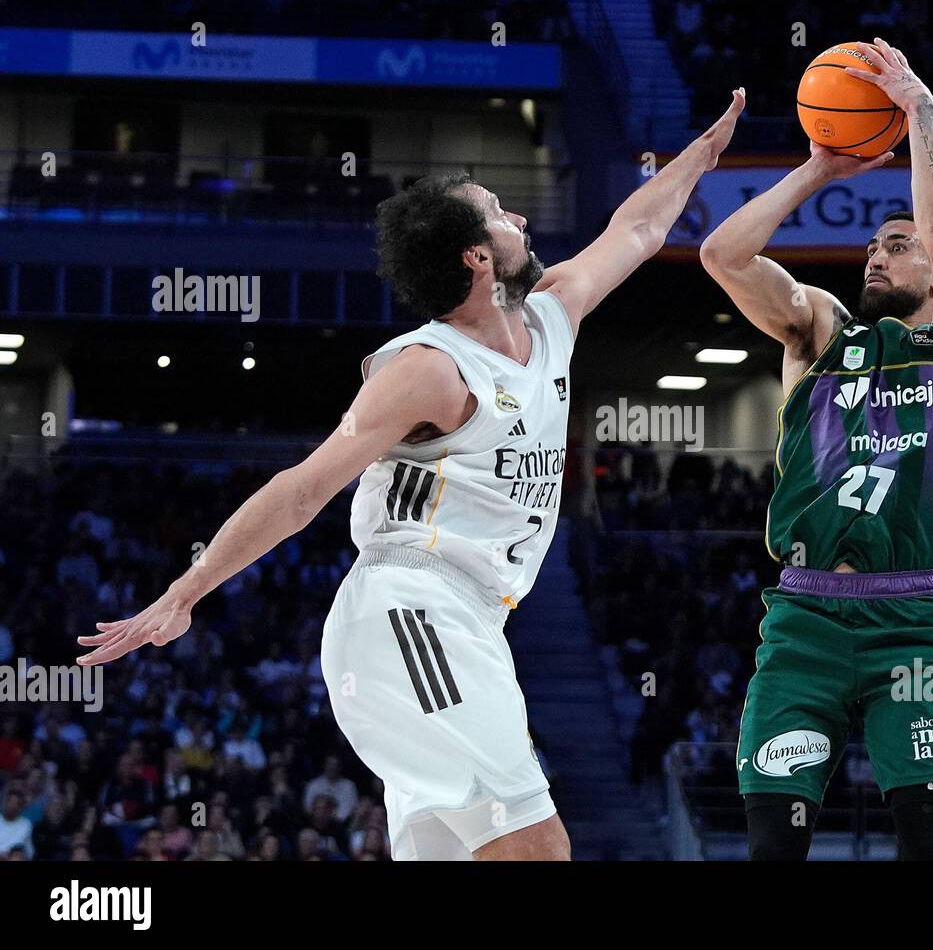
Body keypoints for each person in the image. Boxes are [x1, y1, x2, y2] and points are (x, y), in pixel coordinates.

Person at [78, 90, 747, 862]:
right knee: (536, 846)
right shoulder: (428, 368)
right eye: (499, 210)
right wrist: (182, 594)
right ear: (475, 256)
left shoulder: (552, 315)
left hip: (470, 622)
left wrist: (704, 151)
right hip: (412, 611)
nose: (521, 219)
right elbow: (302, 489)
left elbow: (636, 228)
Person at [700, 39, 933, 860]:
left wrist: (919, 112)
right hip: (801, 620)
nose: (879, 253)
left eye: (896, 245)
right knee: (773, 845)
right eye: (873, 245)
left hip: (916, 623)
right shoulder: (822, 331)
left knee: (932, 843)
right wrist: (818, 171)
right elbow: (720, 256)